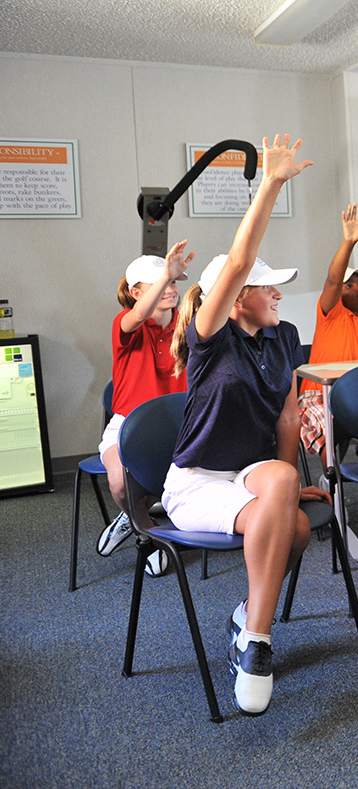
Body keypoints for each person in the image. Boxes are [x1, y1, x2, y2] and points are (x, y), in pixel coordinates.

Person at [166, 134, 333, 715]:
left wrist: (287, 484)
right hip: (197, 480)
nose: (278, 291)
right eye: (266, 286)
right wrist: (272, 183)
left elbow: (289, 414)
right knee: (297, 531)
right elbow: (236, 261)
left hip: (251, 476)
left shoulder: (281, 340)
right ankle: (254, 636)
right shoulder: (210, 339)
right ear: (236, 298)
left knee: (293, 509)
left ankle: (251, 631)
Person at [96, 244, 195, 577]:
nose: (169, 289)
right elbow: (138, 315)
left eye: (171, 282)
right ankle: (144, 527)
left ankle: (138, 515)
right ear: (136, 292)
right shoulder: (125, 324)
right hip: (129, 423)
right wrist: (167, 272)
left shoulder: (186, 326)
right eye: (158, 284)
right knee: (121, 484)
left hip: (180, 424)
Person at [299, 203, 358, 463]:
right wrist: (348, 243)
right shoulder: (331, 314)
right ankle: (331, 480)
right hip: (319, 394)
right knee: (334, 426)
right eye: (351, 284)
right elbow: (333, 280)